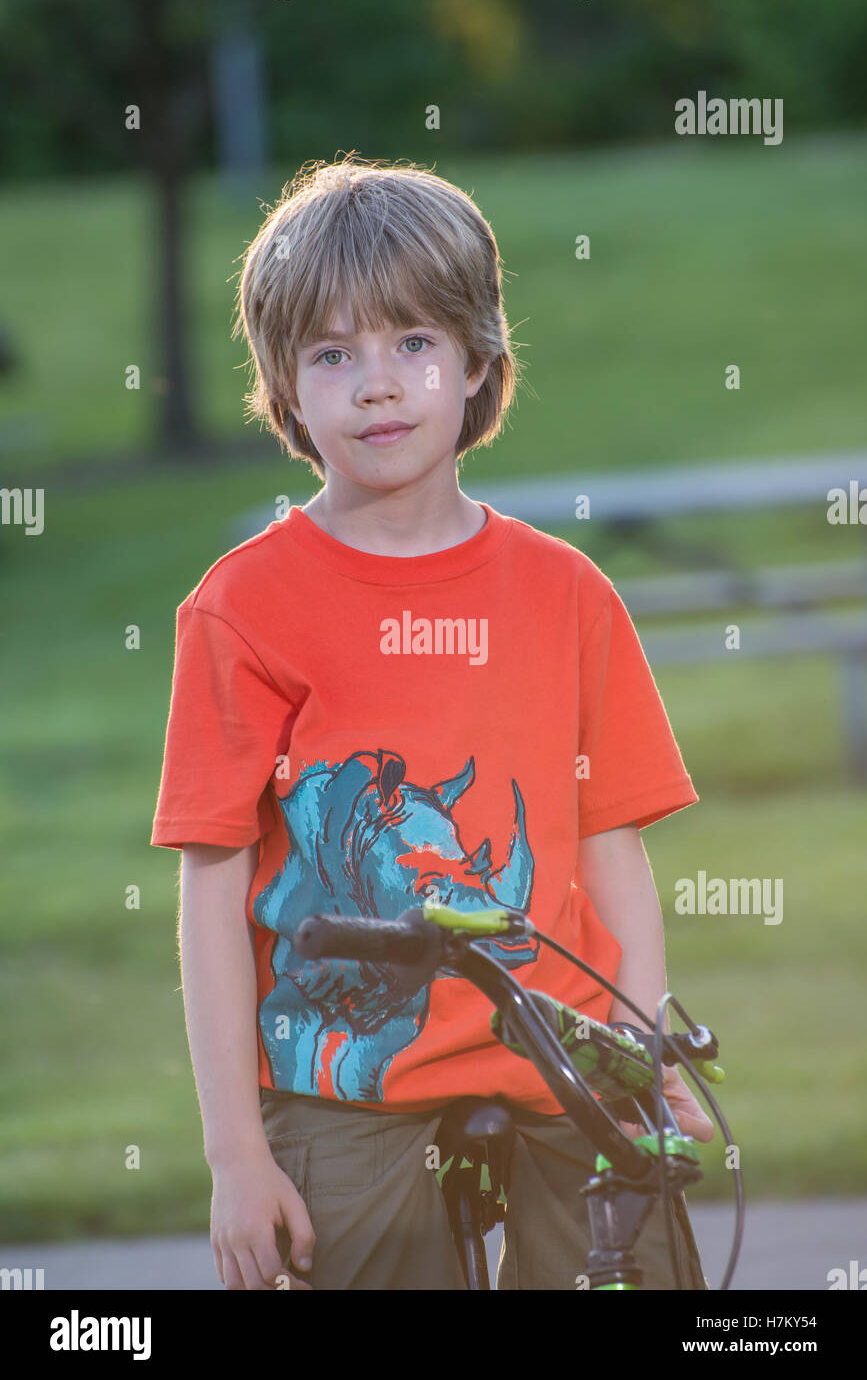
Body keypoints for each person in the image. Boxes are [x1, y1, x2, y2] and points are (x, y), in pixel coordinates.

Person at [150, 152, 714, 1291]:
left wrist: (639, 1042)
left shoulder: (568, 593)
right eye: (332, 354)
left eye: (413, 343)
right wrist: (236, 1154)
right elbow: (212, 887)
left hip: (563, 1060)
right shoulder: (241, 606)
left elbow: (612, 842)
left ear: (476, 363)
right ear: (284, 389)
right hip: (345, 1081)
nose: (377, 384)